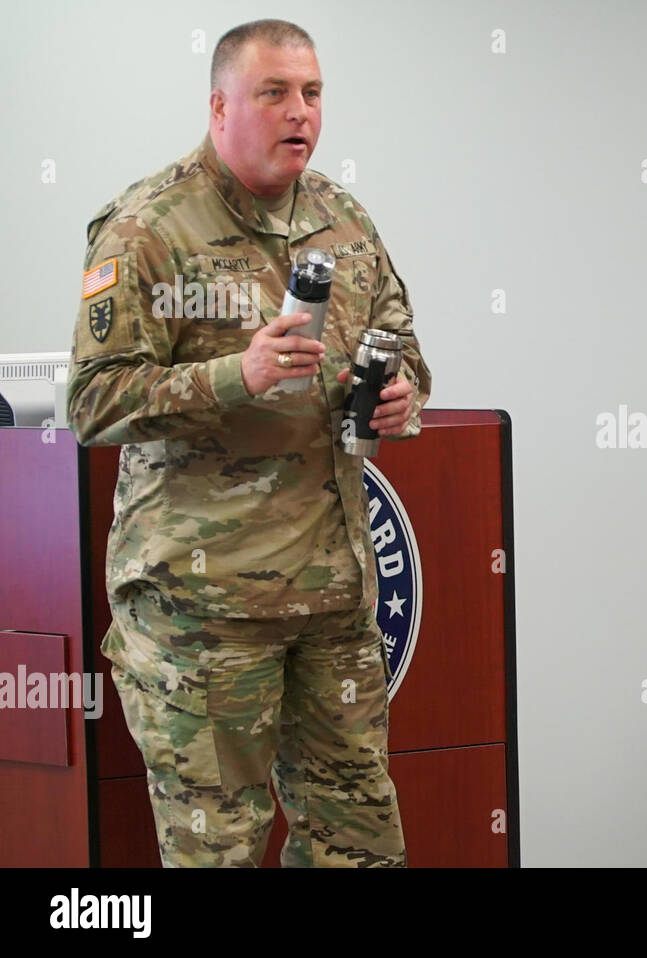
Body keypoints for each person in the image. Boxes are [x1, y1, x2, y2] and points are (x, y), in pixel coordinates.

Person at [67, 19, 431, 867]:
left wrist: (401, 397)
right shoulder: (148, 228)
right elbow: (93, 403)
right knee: (218, 856)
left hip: (333, 601)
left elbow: (403, 345)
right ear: (220, 105)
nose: (299, 112)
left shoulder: (344, 217)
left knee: (364, 848)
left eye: (312, 94)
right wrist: (241, 374)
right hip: (204, 618)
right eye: (274, 93)